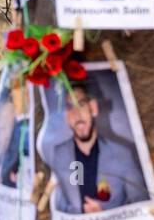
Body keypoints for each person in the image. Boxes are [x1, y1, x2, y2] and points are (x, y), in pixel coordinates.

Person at [47, 82, 148, 213]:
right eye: (70, 107)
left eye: (81, 105)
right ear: (66, 116)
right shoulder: (58, 154)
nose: (76, 114)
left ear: (93, 108)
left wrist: (106, 213)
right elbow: (57, 203)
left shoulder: (122, 154)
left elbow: (141, 203)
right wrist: (80, 211)